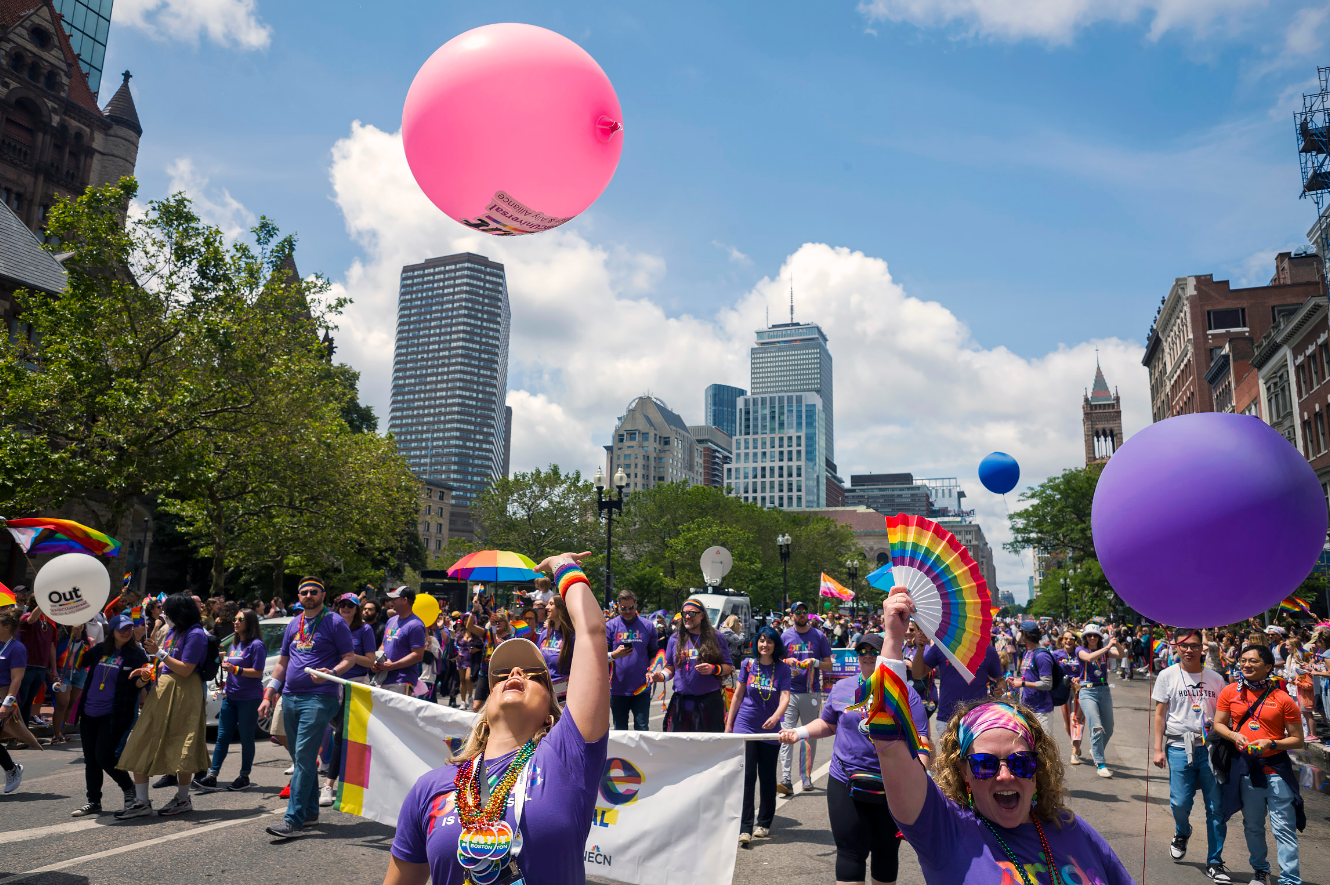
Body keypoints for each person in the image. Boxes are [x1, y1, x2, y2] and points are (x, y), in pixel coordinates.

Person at [870, 588, 1134, 885]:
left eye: (1021, 762)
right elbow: (890, 744)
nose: (1006, 776)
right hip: (953, 721)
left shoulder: (1071, 828)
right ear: (963, 771)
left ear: (1037, 770)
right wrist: (893, 639)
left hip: (983, 712)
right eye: (985, 764)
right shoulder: (945, 832)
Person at [382, 552, 609, 885]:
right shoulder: (429, 788)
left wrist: (564, 567)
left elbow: (591, 633)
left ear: (550, 714)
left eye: (533, 674)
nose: (515, 672)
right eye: (500, 675)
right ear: (485, 710)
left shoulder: (567, 759)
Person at [779, 630, 930, 885]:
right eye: (862, 651)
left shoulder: (906, 692)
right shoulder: (842, 688)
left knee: (885, 852)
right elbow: (828, 724)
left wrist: (918, 777)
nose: (867, 655)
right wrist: (798, 732)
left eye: (874, 651)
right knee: (850, 852)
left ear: (885, 655)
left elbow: (922, 740)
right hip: (845, 780)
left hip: (891, 784)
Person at [259, 577, 356, 839]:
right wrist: (269, 694)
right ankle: (311, 811)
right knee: (300, 757)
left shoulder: (335, 621)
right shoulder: (294, 623)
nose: (309, 595)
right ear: (299, 596)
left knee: (303, 756)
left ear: (323, 595)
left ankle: (293, 820)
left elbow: (350, 658)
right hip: (289, 696)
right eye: (304, 592)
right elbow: (282, 662)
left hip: (320, 697)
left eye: (314, 591)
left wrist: (332, 672)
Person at [1213, 644, 1305, 885]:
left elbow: (1298, 740)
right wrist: (1234, 736)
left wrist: (1272, 744)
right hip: (1244, 769)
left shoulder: (1282, 698)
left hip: (1276, 771)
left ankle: (1289, 880)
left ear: (1268, 667)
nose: (1246, 665)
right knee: (1253, 826)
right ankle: (1261, 870)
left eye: (1253, 661)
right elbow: (1218, 724)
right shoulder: (1230, 691)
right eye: (1243, 660)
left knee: (1284, 828)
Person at [115, 594, 212, 819]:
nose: (163, 614)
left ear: (180, 612)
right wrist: (148, 668)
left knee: (182, 744)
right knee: (141, 739)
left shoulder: (196, 634)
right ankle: (141, 802)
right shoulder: (173, 631)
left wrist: (159, 652)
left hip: (184, 692)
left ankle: (183, 798)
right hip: (161, 690)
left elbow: (186, 669)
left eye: (167, 611)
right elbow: (164, 662)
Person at [1151, 627, 1230, 883]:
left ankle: (1215, 862)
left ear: (1202, 648)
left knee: (1215, 807)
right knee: (1180, 802)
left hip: (1210, 750)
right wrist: (1157, 748)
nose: (1189, 650)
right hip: (1177, 747)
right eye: (1184, 645)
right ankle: (1182, 831)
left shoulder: (1216, 679)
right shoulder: (1167, 675)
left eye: (1194, 645)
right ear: (1176, 647)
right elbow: (1161, 714)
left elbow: (1225, 714)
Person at [70, 614, 148, 816]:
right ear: (111, 630)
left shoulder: (137, 655)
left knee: (104, 756)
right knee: (91, 760)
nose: (126, 631)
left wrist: (144, 678)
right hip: (89, 711)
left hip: (115, 714)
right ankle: (93, 801)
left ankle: (129, 789)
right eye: (121, 628)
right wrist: (77, 638)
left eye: (129, 628)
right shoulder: (99, 650)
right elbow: (76, 663)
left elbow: (140, 685)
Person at [726, 625, 792, 844]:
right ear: (756, 643)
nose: (765, 645)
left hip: (770, 729)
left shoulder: (782, 669)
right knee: (746, 778)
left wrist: (776, 717)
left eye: (769, 641)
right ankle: (744, 827)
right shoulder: (748, 664)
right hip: (745, 725)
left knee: (767, 777)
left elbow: (784, 697)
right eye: (762, 641)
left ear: (775, 645)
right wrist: (729, 725)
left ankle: (763, 823)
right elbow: (737, 696)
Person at [196, 608, 267, 793]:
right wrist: (224, 661)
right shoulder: (235, 643)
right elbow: (232, 664)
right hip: (230, 696)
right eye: (235, 619)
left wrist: (236, 670)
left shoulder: (257, 645)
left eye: (240, 619)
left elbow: (258, 672)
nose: (235, 622)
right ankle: (212, 776)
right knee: (222, 737)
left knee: (246, 738)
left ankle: (244, 776)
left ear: (249, 623)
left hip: (249, 698)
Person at [319, 593, 378, 806]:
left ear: (357, 610)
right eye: (342, 604)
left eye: (350, 606)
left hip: (354, 686)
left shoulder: (365, 630)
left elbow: (371, 661)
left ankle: (328, 786)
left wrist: (349, 655)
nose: (346, 608)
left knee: (340, 735)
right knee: (322, 730)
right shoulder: (330, 627)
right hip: (329, 684)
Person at [652, 599, 733, 733]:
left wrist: (713, 669)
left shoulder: (716, 636)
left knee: (707, 747)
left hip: (709, 703)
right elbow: (670, 668)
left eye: (692, 613)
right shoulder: (674, 639)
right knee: (676, 745)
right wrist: (660, 676)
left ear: (702, 615)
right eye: (684, 614)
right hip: (681, 702)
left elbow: (728, 667)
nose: (687, 617)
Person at [779, 601, 833, 794]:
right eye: (798, 612)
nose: (802, 615)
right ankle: (786, 778)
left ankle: (806, 777)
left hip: (811, 692)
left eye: (804, 612)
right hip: (789, 692)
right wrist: (786, 661)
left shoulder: (818, 636)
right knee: (786, 733)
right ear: (792, 616)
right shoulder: (785, 636)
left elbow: (829, 665)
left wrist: (815, 661)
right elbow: (775, 662)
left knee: (808, 736)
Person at [911, 619, 1005, 728]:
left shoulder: (988, 651)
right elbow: (917, 674)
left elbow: (1000, 680)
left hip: (977, 718)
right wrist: (920, 650)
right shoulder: (941, 647)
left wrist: (1001, 690)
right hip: (947, 719)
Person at [604, 589, 658, 730]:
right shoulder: (610, 626)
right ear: (618, 606)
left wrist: (652, 670)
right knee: (620, 730)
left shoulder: (647, 626)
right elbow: (601, 656)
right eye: (623, 608)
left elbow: (654, 653)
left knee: (642, 728)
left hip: (641, 688)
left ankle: (641, 754)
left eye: (631, 608)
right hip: (617, 688)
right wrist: (615, 654)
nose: (627, 611)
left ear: (636, 605)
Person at [1077, 624, 1124, 778]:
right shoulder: (1081, 650)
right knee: (1096, 727)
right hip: (1087, 691)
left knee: (1108, 728)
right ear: (1085, 637)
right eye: (1089, 635)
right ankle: (1100, 763)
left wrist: (1114, 642)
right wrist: (1107, 646)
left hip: (1104, 690)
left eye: (1095, 635)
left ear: (1099, 637)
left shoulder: (1106, 651)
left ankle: (1096, 750)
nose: (1092, 638)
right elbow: (1089, 658)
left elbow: (1122, 654)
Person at [375, 586, 428, 694]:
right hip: (384, 678)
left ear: (404, 600)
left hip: (402, 680)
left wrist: (393, 666)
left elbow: (418, 655)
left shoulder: (415, 625)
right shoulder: (391, 620)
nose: (391, 602)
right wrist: (378, 663)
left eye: (395, 599)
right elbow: (384, 644)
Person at [1008, 619, 1056, 736]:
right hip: (1027, 708)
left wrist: (1023, 684)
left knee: (1044, 747)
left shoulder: (1042, 655)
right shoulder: (1027, 653)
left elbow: (1046, 684)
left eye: (1020, 631)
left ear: (1024, 633)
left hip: (1041, 710)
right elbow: (1030, 678)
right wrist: (1017, 680)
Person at [0, 610, 30, 792]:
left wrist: (7, 703)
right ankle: (12, 768)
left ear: (7, 627)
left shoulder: (17, 648)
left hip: (4, 696)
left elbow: (17, 678)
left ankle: (12, 769)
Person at [17, 598, 56, 729]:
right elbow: (31, 620)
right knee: (20, 702)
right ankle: (9, 734)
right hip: (26, 666)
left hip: (41, 668)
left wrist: (53, 670)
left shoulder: (49, 622)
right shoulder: (26, 616)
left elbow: (51, 647)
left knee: (28, 703)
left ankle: (24, 733)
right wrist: (43, 601)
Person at [1053, 630, 1084, 765]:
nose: (1068, 640)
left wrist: (1080, 678)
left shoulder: (1080, 653)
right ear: (1062, 639)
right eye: (1066, 638)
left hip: (1078, 689)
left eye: (1071, 638)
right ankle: (1076, 742)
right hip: (1063, 689)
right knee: (1067, 722)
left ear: (1075, 640)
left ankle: (1074, 751)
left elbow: (1086, 669)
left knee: (1076, 718)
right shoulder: (1056, 654)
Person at [539, 594, 576, 679]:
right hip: (544, 686)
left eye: (551, 604)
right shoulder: (545, 634)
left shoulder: (573, 636)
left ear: (561, 608)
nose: (546, 607)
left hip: (563, 688)